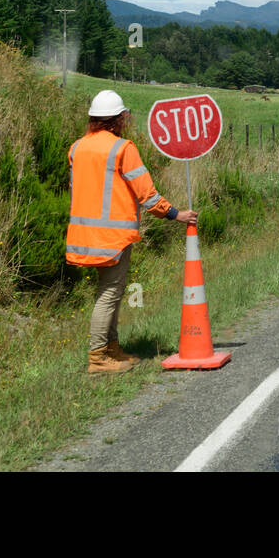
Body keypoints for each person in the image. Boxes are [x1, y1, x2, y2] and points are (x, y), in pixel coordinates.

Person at [66, 90, 197, 374]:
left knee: (108, 290)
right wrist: (176, 214)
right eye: (124, 117)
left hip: (83, 234)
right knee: (110, 292)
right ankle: (99, 357)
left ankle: (111, 349)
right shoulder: (123, 149)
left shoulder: (76, 147)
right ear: (118, 119)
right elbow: (147, 196)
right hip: (112, 236)